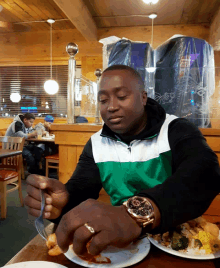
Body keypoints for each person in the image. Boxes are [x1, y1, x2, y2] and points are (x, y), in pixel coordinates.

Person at [24, 65, 220, 257]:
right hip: (122, 247)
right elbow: (82, 187)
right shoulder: (96, 143)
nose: (111, 106)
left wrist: (132, 214)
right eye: (103, 99)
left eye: (122, 97)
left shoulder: (176, 129)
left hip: (178, 241)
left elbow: (205, 172)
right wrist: (63, 201)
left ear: (143, 98)